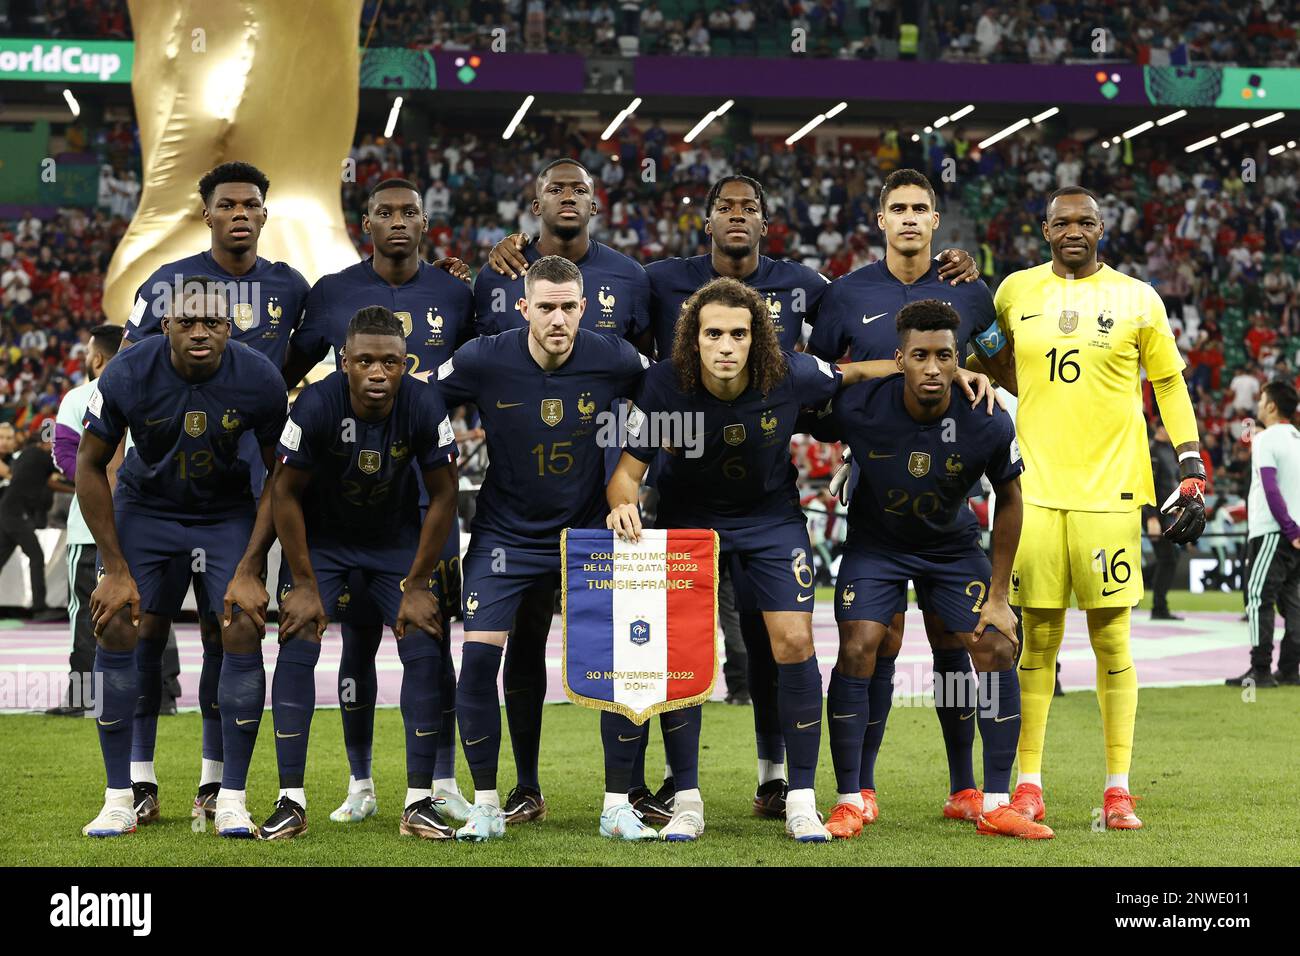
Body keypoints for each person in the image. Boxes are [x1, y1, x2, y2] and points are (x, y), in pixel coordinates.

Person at [607, 277, 997, 842]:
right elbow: (626, 472)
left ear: (755, 339)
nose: (725, 345)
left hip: (770, 521)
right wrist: (623, 506)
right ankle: (687, 799)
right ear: (693, 339)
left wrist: (942, 372)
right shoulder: (664, 384)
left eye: (738, 334)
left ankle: (801, 798)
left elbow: (859, 372)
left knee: (795, 643)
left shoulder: (788, 372)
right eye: (712, 333)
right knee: (682, 656)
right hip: (689, 522)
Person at [995, 185, 1205, 831]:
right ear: (1045, 229)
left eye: (1087, 221)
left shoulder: (1138, 297)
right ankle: (1027, 784)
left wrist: (1192, 461)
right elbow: (990, 362)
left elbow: (1167, 380)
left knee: (1112, 636)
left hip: (1112, 491)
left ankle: (1118, 789)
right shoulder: (1014, 292)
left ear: (1103, 228)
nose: (1075, 231)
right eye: (1063, 223)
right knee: (1037, 640)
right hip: (1032, 491)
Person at [809, 167, 1014, 825]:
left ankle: (967, 788)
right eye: (895, 206)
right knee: (878, 639)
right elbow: (820, 382)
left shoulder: (969, 291)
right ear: (879, 218)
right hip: (874, 480)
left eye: (919, 208)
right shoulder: (845, 295)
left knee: (956, 644)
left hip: (948, 490)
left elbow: (1001, 365)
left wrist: (976, 377)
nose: (906, 218)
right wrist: (881, 384)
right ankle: (859, 787)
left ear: (935, 219)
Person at [811, 299, 1051, 839]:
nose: (933, 368)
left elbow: (1010, 500)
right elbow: (796, 396)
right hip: (876, 547)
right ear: (901, 358)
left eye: (945, 356)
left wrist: (997, 595)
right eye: (919, 356)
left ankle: (991, 801)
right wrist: (851, 457)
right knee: (859, 645)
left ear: (959, 358)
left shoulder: (987, 418)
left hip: (950, 549)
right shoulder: (860, 406)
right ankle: (851, 798)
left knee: (993, 644)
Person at [436, 254, 651, 841]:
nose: (558, 318)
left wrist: (630, 482)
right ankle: (486, 803)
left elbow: (667, 398)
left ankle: (616, 805)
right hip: (503, 534)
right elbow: (420, 398)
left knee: (623, 665)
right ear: (523, 307)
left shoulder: (614, 356)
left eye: (568, 307)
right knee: (479, 658)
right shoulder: (484, 357)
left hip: (587, 534)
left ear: (584, 309)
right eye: (546, 307)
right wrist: (436, 464)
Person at [281, 177, 475, 825]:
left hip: (426, 500)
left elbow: (490, 359)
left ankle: (438, 781)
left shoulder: (457, 291)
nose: (398, 221)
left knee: (430, 636)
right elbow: (287, 370)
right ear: (366, 223)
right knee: (357, 641)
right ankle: (360, 782)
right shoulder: (332, 293)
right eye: (385, 212)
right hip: (349, 501)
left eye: (409, 212)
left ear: (426, 222)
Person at [120, 161, 310, 821]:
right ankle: (138, 784)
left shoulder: (292, 287)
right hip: (160, 489)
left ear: (263, 213)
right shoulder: (165, 284)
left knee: (227, 631)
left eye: (249, 204)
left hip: (246, 490)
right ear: (205, 213)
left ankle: (213, 784)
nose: (238, 213)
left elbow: (323, 354)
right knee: (144, 635)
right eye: (225, 203)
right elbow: (123, 374)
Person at [76, 277, 287, 837]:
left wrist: (250, 567)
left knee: (240, 626)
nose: (200, 331)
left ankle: (229, 795)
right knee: (119, 625)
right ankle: (121, 794)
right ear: (164, 322)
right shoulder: (125, 371)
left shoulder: (261, 378)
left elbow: (280, 476)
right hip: (146, 510)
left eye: (213, 322)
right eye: (187, 321)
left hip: (224, 512)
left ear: (230, 326)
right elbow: (88, 466)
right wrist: (115, 568)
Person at [477, 159, 652, 826]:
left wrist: (630, 478)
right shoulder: (496, 273)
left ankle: (627, 791)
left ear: (596, 203)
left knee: (621, 647)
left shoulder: (631, 278)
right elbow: (478, 367)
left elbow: (653, 387)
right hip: (518, 507)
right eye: (556, 187)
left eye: (580, 188)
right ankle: (524, 786)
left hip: (604, 504)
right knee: (522, 644)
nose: (569, 197)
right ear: (537, 197)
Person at [264, 306, 460, 840]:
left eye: (391, 363)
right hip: (323, 544)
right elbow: (284, 492)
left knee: (424, 636)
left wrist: (417, 583)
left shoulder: (424, 403)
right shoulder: (315, 403)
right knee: (298, 635)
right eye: (366, 361)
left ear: (405, 365)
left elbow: (444, 496)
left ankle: (419, 801)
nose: (379, 373)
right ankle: (291, 800)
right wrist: (303, 583)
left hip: (393, 543)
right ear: (343, 361)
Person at [47, 324, 124, 717]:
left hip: (88, 526)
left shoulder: (78, 397)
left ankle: (82, 697)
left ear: (96, 358)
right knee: (146, 606)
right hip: (136, 523)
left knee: (85, 610)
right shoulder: (150, 391)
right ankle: (159, 692)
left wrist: (97, 488)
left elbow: (63, 455)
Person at [1226, 381, 1300, 688]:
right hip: (1294, 533)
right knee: (1293, 601)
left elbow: (1269, 486)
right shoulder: (1297, 438)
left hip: (1274, 530)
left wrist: (1288, 527)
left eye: (1262, 400)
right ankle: (1290, 669)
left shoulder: (1266, 439)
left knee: (1257, 596)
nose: (1258, 405)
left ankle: (1260, 669)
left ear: (1271, 406)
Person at [0, 423, 74, 621]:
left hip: (9, 511)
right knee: (36, 556)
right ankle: (40, 608)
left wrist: (73, 491)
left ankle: (39, 606)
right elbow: (68, 469)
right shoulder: (44, 457)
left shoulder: (29, 454)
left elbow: (49, 482)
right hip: (16, 515)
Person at [1148, 423, 1181, 620]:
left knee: (1167, 559)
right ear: (1161, 428)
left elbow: (1172, 483)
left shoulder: (1169, 451)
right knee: (1168, 558)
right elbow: (1149, 485)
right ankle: (1158, 607)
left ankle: (1158, 605)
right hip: (1157, 515)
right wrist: (1151, 516)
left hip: (1167, 513)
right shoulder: (1152, 451)